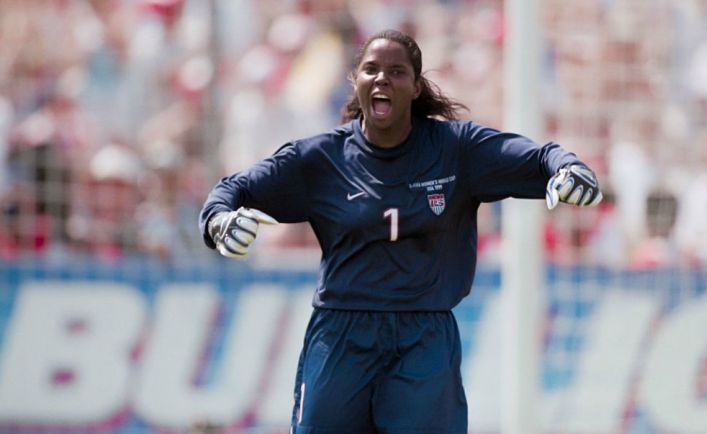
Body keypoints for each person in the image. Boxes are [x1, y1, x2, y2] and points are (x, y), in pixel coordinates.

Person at [199, 29, 602, 434]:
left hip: (424, 340)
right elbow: (232, 191)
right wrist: (218, 221)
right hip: (340, 337)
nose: (382, 79)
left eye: (396, 71)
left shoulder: (456, 149)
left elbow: (541, 158)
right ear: (355, 81)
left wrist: (568, 169)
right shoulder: (320, 158)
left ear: (416, 86)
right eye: (371, 69)